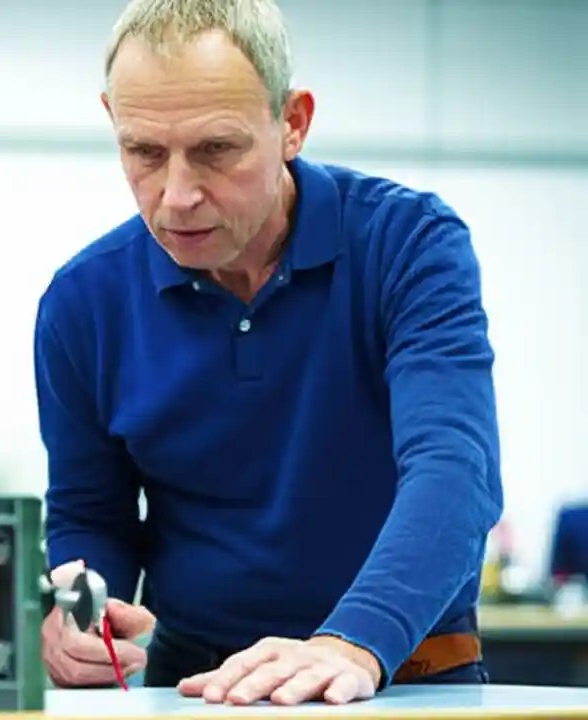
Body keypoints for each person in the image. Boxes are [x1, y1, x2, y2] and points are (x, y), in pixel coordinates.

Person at [35, 0, 502, 706]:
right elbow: (88, 515)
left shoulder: (410, 246)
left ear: (293, 123)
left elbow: (454, 470)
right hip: (197, 689)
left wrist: (352, 643)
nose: (177, 196)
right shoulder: (83, 300)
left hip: (404, 676)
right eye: (145, 153)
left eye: (217, 150)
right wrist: (73, 607)